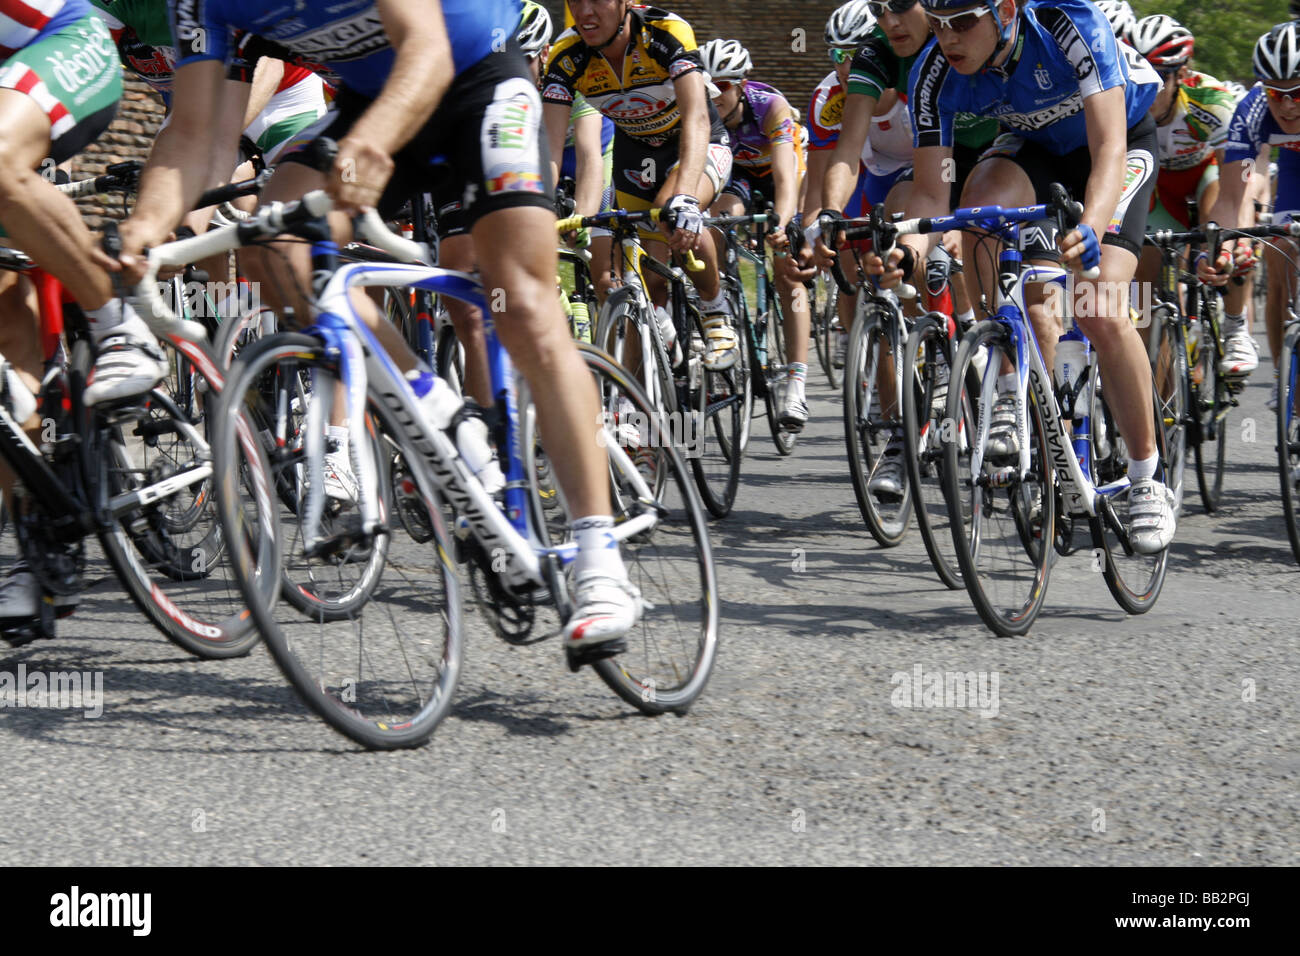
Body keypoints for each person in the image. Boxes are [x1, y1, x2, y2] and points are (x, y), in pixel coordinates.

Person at [106, 0, 644, 656]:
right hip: (376, 98)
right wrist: (144, 227)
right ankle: (447, 415)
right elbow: (196, 133)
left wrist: (369, 144)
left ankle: (599, 558)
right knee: (274, 244)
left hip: (476, 77)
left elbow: (429, 49)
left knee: (523, 306)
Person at [879, 0, 1175, 555]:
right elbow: (930, 195)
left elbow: (1108, 147)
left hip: (1117, 143)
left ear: (1007, 11)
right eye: (939, 26)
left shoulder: (1068, 24)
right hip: (1034, 148)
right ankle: (1014, 384)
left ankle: (1145, 477)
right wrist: (907, 248)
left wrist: (1091, 223)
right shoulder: (933, 72)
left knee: (1097, 301)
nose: (948, 38)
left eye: (964, 22)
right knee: (979, 210)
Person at [813, 0, 997, 502]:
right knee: (895, 237)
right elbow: (847, 149)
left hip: (996, 153)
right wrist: (829, 214)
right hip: (928, 165)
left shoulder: (962, 37)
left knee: (983, 261)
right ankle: (904, 426)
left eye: (900, 6)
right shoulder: (874, 55)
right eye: (878, 8)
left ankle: (989, 361)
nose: (889, 20)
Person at [544, 1, 737, 369]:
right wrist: (537, 203)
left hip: (698, 141)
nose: (585, 12)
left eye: (597, 0)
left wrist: (685, 198)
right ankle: (648, 388)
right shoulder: (566, 56)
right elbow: (551, 147)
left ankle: (716, 310)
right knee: (646, 277)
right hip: (637, 154)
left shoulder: (665, 34)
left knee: (673, 214)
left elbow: (696, 117)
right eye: (575, 1)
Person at [699, 38, 813, 431]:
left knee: (787, 267)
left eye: (724, 86)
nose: (715, 96)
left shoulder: (770, 107)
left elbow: (785, 181)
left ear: (742, 84)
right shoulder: (699, 111)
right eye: (708, 86)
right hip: (739, 177)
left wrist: (781, 226)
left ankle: (797, 381)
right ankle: (723, 306)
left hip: (782, 169)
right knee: (715, 222)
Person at [1201, 22, 1300, 397]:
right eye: (1277, 93)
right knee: (1281, 258)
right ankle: (1282, 375)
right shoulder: (1253, 110)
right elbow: (1231, 197)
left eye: (1299, 94)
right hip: (1292, 168)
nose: (1288, 104)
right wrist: (1225, 248)